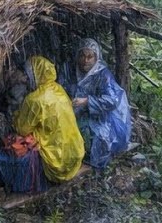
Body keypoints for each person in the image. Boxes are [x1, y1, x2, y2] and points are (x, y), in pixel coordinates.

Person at [12, 56, 85, 183]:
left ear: (34, 74)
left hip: (57, 164)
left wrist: (16, 114)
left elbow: (22, 129)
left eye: (27, 75)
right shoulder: (59, 89)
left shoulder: (34, 99)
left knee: (22, 139)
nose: (25, 79)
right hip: (75, 156)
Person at [68, 39, 131, 171]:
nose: (86, 61)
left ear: (96, 57)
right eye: (82, 56)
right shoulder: (71, 71)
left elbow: (112, 100)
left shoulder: (103, 75)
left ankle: (92, 160)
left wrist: (87, 101)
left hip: (102, 116)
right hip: (77, 112)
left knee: (100, 137)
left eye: (90, 57)